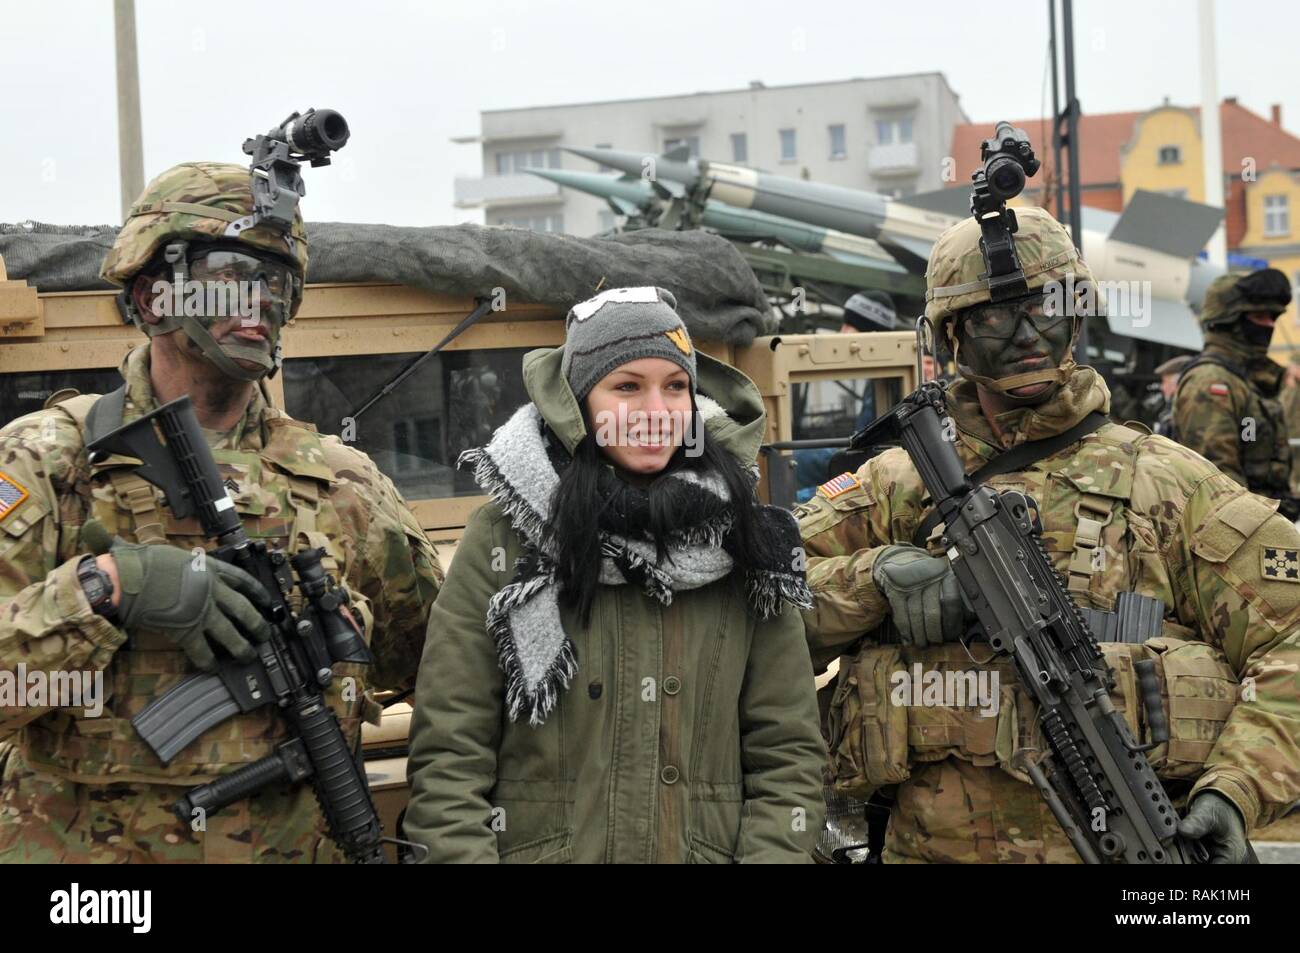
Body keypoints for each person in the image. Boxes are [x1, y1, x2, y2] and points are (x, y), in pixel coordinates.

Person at [797, 206, 1300, 863]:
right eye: (994, 316)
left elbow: (1289, 639)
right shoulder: (896, 487)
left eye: (1049, 307)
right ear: (950, 336)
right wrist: (874, 579)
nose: (1027, 334)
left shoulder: (1168, 486)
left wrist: (1236, 788)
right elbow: (759, 609)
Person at [0, 162, 443, 862]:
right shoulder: (47, 465)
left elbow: (453, 684)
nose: (259, 300)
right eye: (233, 272)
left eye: (279, 283)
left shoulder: (345, 486)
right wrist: (108, 588)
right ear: (153, 298)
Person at [404, 286, 827, 863]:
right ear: (579, 403)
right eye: (626, 386)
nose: (656, 412)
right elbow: (451, 754)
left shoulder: (749, 542)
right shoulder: (504, 539)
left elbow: (788, 758)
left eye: (675, 387)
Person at [1173, 268, 1297, 519]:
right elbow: (1217, 484)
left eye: (1273, 317)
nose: (1270, 325)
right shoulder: (1212, 383)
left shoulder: (1250, 383)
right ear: (1230, 322)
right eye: (1260, 316)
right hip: (1234, 539)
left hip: (1262, 528)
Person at [1149, 353, 1192, 436]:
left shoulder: (1179, 414)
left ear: (1178, 383)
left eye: (1165, 382)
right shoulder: (1171, 409)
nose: (1162, 387)